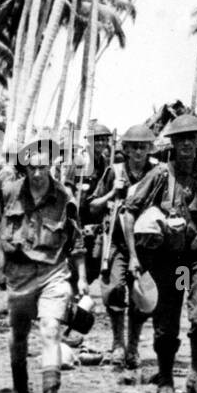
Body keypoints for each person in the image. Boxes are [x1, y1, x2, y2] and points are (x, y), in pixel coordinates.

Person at [120, 113, 197, 393]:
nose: (186, 144)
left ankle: (196, 375)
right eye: (180, 139)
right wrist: (133, 256)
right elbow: (129, 211)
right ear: (172, 143)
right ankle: (167, 379)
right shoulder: (160, 175)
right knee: (168, 319)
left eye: (191, 139)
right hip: (171, 263)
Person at [0, 129, 90, 393]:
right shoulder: (11, 192)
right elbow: (1, 230)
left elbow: (77, 243)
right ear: (24, 167)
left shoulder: (64, 197)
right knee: (19, 334)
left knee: (50, 328)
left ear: (51, 166)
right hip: (20, 273)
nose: (37, 173)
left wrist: (83, 279)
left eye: (42, 167)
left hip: (53, 271)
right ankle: (20, 387)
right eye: (32, 167)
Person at [87, 123, 156, 370]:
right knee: (114, 289)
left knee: (142, 296)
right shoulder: (114, 172)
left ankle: (134, 347)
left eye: (143, 147)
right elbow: (92, 205)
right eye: (133, 147)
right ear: (125, 149)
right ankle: (118, 343)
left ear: (150, 148)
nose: (138, 152)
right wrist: (111, 195)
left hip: (146, 245)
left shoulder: (157, 173)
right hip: (116, 242)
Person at [80, 120, 114, 284]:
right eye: (97, 139)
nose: (101, 143)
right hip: (79, 219)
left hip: (96, 220)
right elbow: (70, 191)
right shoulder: (81, 161)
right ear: (89, 140)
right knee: (78, 264)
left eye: (104, 139)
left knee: (94, 264)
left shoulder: (105, 163)